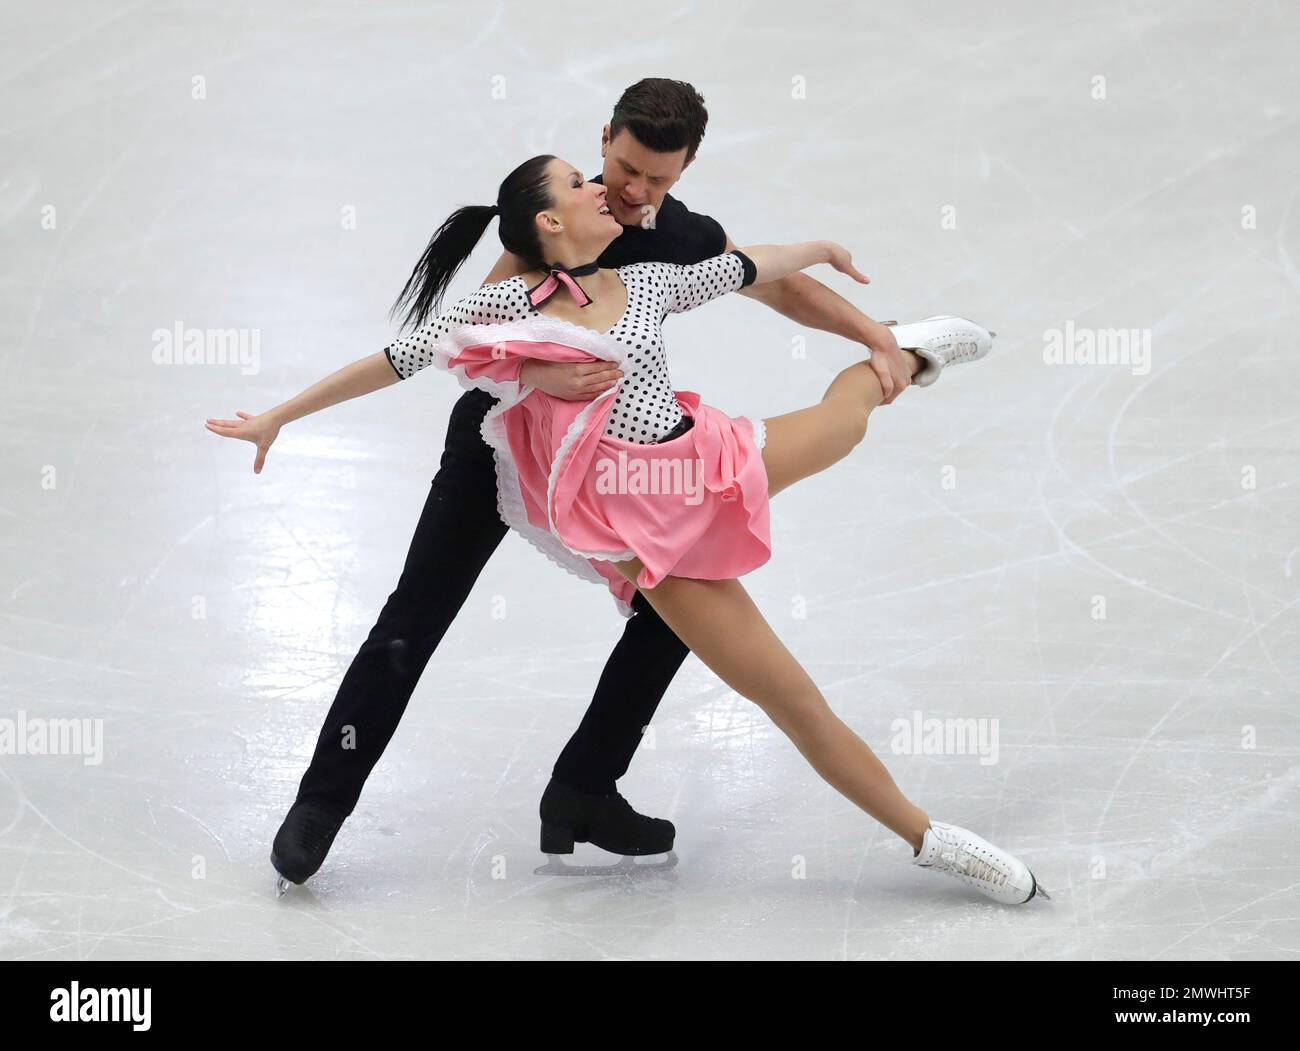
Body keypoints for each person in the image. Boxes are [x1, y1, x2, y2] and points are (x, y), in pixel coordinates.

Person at [207, 149, 1049, 906]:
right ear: (591, 168)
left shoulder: (656, 260)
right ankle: (323, 801)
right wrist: (282, 414)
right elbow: (424, 353)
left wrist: (859, 305)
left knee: (848, 422)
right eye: (602, 174)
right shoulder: (519, 281)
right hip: (555, 476)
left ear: (679, 171)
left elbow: (757, 269)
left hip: (702, 465)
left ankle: (914, 348)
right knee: (422, 621)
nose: (624, 189)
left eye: (653, 177)